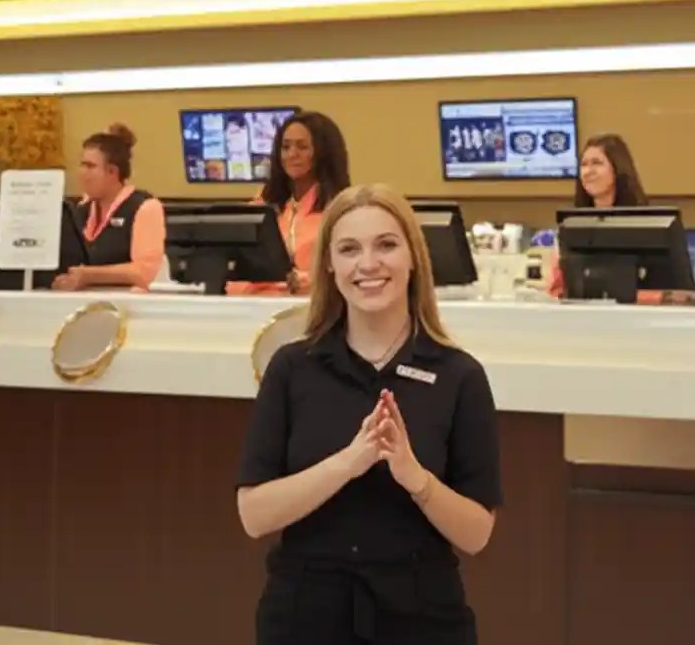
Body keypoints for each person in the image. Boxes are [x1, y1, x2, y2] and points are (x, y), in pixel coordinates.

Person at [235, 183, 502, 644]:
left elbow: (477, 533)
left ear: (414, 257)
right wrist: (348, 463)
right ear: (330, 266)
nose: (369, 264)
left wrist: (414, 476)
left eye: (386, 244)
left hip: (423, 617)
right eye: (349, 249)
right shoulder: (292, 368)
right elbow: (254, 515)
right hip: (304, 614)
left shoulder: (460, 375)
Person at [227, 111, 352, 296]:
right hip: (258, 305)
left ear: (324, 152)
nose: (292, 154)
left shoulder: (342, 207)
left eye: (302, 147)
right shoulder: (265, 201)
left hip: (314, 307)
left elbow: (347, 273)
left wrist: (301, 282)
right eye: (285, 147)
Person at [53, 123, 166, 292]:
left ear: (113, 172)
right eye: (81, 165)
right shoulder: (79, 210)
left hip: (130, 307)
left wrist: (89, 275)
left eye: (90, 166)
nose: (82, 173)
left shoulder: (144, 207)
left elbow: (143, 272)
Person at [546, 133, 649, 298]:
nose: (588, 171)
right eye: (584, 165)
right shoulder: (570, 227)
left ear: (618, 169)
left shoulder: (646, 226)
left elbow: (661, 290)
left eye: (597, 163)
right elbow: (556, 290)